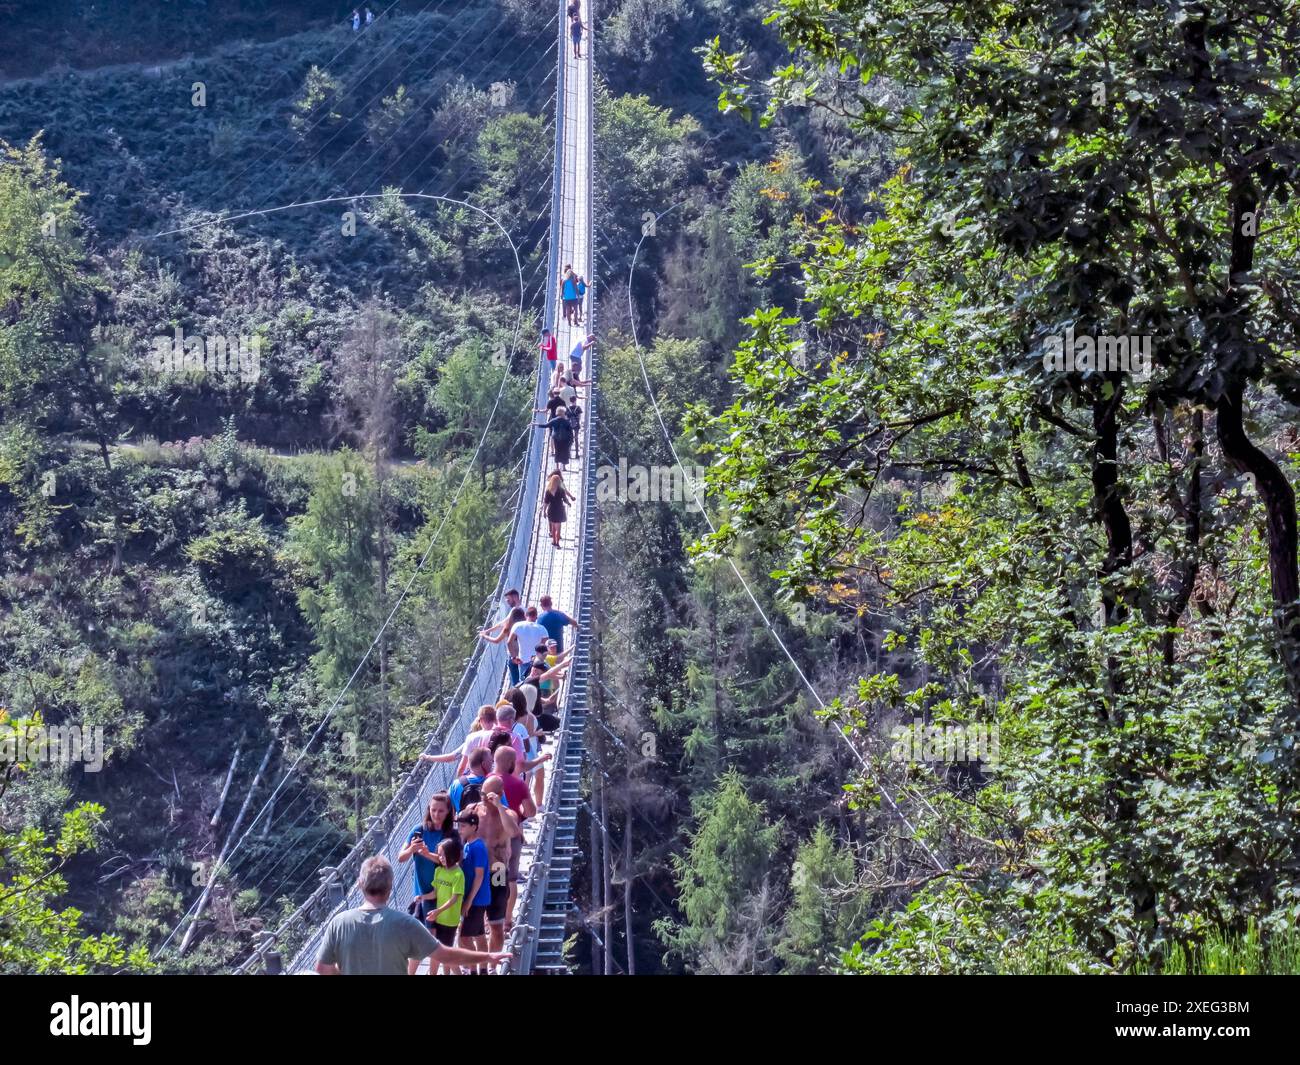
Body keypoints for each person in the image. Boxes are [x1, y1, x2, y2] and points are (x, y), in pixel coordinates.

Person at [314, 855, 507, 975]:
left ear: (359, 884)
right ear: (390, 887)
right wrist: (488, 957)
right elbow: (445, 955)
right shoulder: (405, 923)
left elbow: (323, 969)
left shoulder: (338, 923)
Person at [396, 791, 455, 970]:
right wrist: (412, 849)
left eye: (441, 811)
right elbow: (401, 857)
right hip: (422, 893)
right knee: (425, 938)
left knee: (435, 940)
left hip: (443, 893)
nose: (436, 814)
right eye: (433, 810)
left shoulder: (451, 834)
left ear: (448, 812)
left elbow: (451, 862)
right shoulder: (418, 830)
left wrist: (427, 854)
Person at [477, 787, 520, 952]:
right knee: (472, 924)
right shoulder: (473, 811)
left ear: (499, 795)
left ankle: (492, 967)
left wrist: (499, 806)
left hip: (498, 870)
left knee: (496, 926)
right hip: (476, 872)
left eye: (488, 795)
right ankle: (477, 963)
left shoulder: (508, 814)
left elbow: (513, 832)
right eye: (482, 793)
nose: (484, 798)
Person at [456, 810, 493, 967]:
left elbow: (479, 876)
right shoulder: (467, 845)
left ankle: (473, 968)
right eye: (459, 825)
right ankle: (483, 969)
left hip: (477, 899)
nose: (460, 829)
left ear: (474, 826)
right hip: (476, 898)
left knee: (464, 938)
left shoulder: (477, 847)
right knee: (479, 935)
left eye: (463, 826)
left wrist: (468, 901)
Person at [425, 837, 464, 972]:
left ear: (451, 855)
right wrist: (421, 897)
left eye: (443, 855)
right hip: (439, 918)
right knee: (439, 952)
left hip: (450, 921)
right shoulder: (438, 871)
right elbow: (435, 893)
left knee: (445, 955)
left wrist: (438, 911)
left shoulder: (458, 874)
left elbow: (454, 898)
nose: (440, 858)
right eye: (439, 854)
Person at [450, 747, 493, 813]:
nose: (492, 763)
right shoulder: (492, 784)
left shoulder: (456, 784)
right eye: (490, 760)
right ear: (484, 764)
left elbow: (450, 809)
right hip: (486, 822)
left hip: (463, 822)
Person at [543, 470, 575, 548]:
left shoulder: (548, 491)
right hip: (559, 510)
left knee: (553, 528)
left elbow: (546, 503)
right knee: (558, 528)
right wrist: (568, 503)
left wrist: (544, 511)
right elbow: (564, 499)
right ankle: (557, 542)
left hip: (551, 511)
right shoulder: (561, 490)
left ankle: (554, 541)